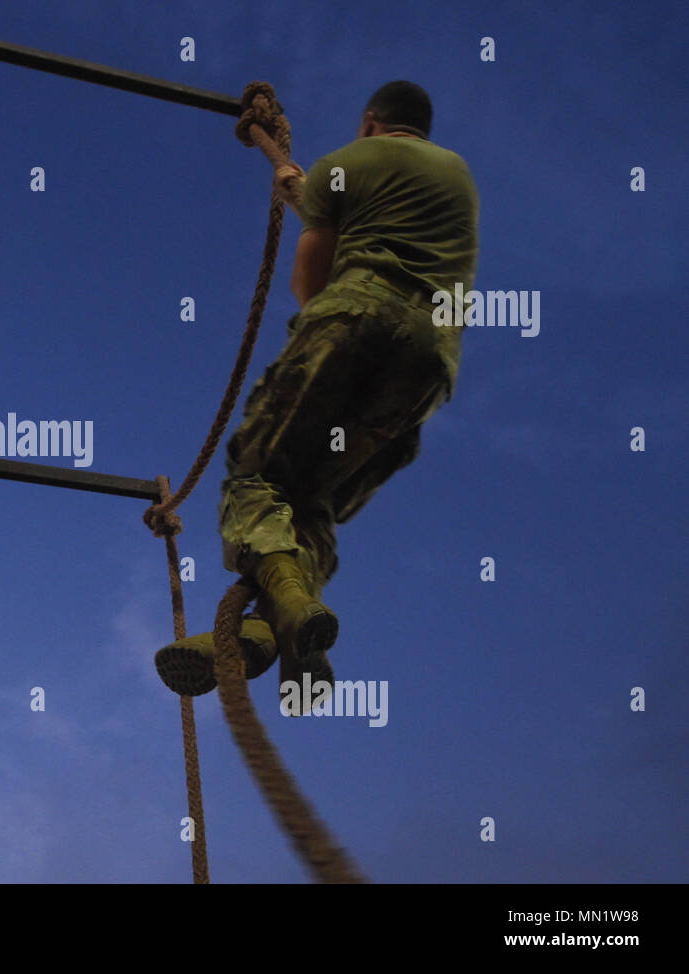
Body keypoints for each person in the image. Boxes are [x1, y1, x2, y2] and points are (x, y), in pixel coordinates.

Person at [155, 81, 479, 708]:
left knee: (257, 476)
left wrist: (298, 192)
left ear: (370, 121)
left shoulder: (345, 163)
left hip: (354, 319)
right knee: (311, 498)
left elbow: (310, 279)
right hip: (430, 362)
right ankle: (286, 632)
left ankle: (280, 608)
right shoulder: (459, 177)